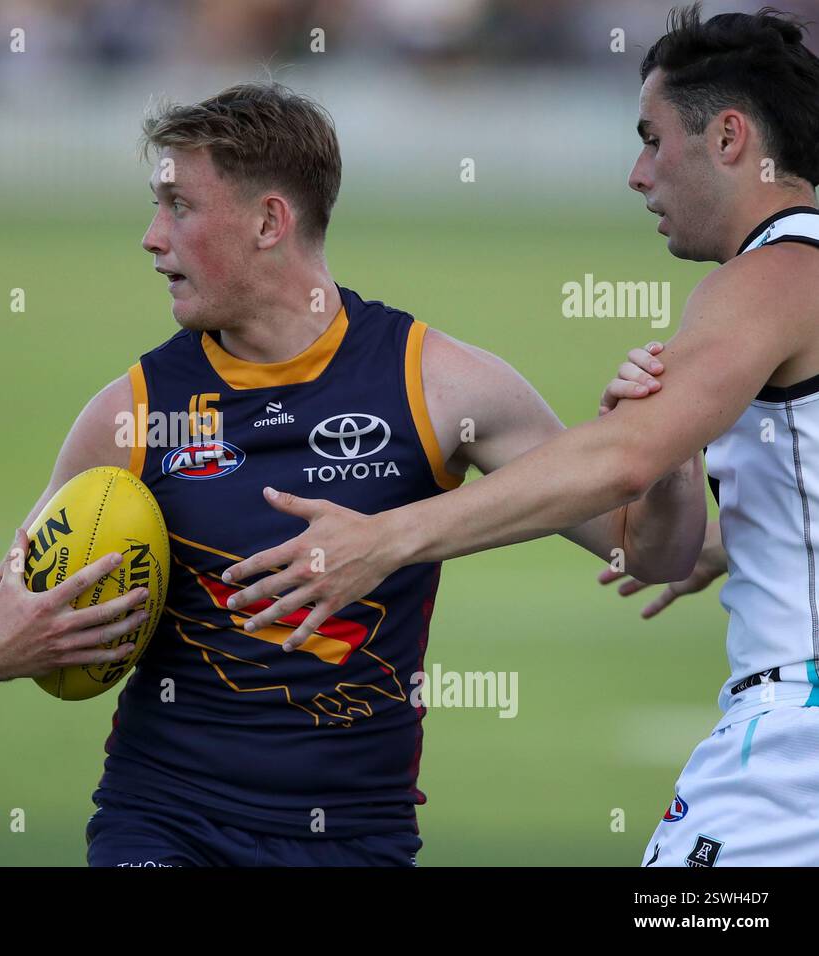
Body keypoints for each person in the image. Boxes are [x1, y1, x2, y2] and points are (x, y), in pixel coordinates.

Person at [0, 81, 705, 866]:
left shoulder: (437, 384)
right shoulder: (133, 411)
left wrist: (673, 452)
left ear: (269, 221)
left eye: (178, 205)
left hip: (356, 839)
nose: (152, 237)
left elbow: (651, 551)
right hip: (162, 821)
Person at [222, 5, 819, 866]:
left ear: (729, 138)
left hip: (792, 755)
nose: (637, 174)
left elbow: (621, 458)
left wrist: (386, 539)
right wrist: (746, 541)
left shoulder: (773, 274)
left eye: (652, 140)